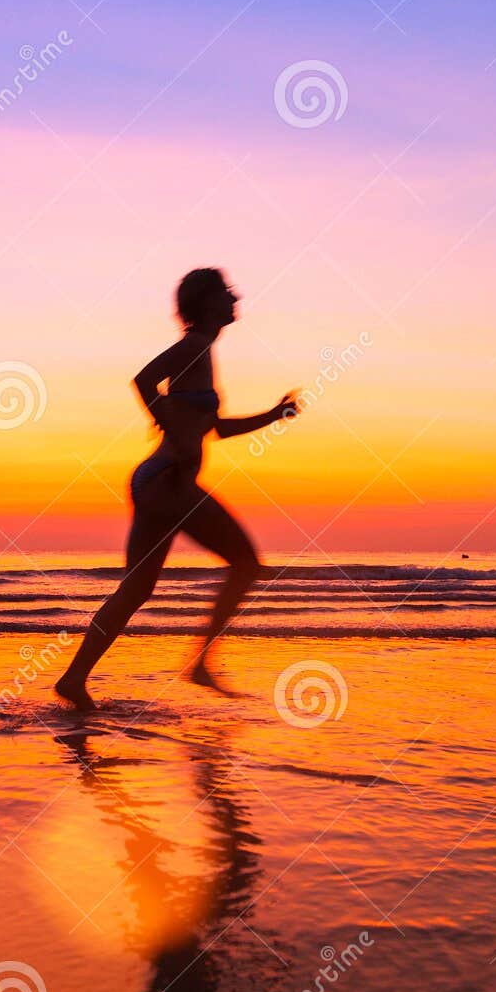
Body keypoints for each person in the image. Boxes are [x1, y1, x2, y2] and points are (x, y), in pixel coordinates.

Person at [55, 268, 298, 709]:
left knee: (136, 590)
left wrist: (273, 416)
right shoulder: (193, 346)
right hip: (167, 480)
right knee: (246, 563)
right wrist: (167, 421)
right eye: (225, 292)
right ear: (206, 302)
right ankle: (201, 663)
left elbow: (216, 429)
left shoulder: (203, 352)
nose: (234, 296)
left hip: (156, 480)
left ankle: (73, 680)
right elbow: (143, 380)